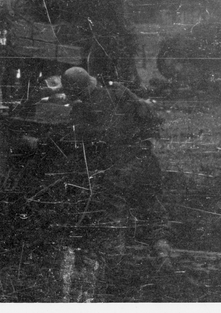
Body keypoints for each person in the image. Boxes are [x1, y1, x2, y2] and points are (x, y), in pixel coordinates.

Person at [59, 66, 170, 300]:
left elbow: (74, 140)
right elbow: (148, 113)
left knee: (113, 216)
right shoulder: (119, 91)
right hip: (146, 161)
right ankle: (163, 254)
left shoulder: (82, 109)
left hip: (119, 171)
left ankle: (114, 274)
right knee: (151, 207)